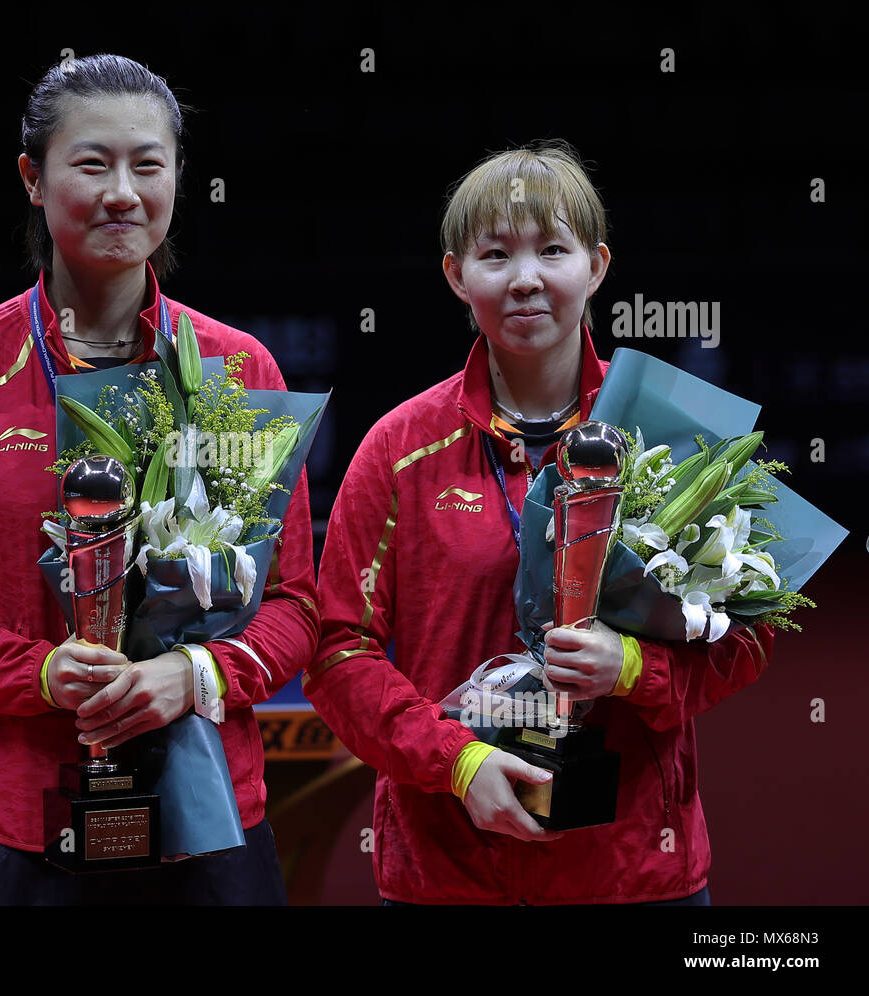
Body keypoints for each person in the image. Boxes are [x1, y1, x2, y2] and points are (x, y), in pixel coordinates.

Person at [0, 54, 317, 905]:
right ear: (33, 179)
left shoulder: (235, 368)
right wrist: (38, 673)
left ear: (178, 178)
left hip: (205, 824)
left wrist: (198, 675)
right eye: (91, 162)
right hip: (8, 827)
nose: (122, 192)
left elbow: (294, 606)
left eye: (148, 164)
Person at [305, 141, 774, 905]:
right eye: (495, 254)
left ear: (596, 265)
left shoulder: (673, 433)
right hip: (446, 874)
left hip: (632, 875)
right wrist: (455, 761)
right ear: (458, 276)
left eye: (552, 249)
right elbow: (335, 651)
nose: (525, 279)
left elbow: (748, 637)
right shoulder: (397, 449)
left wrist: (631, 669)